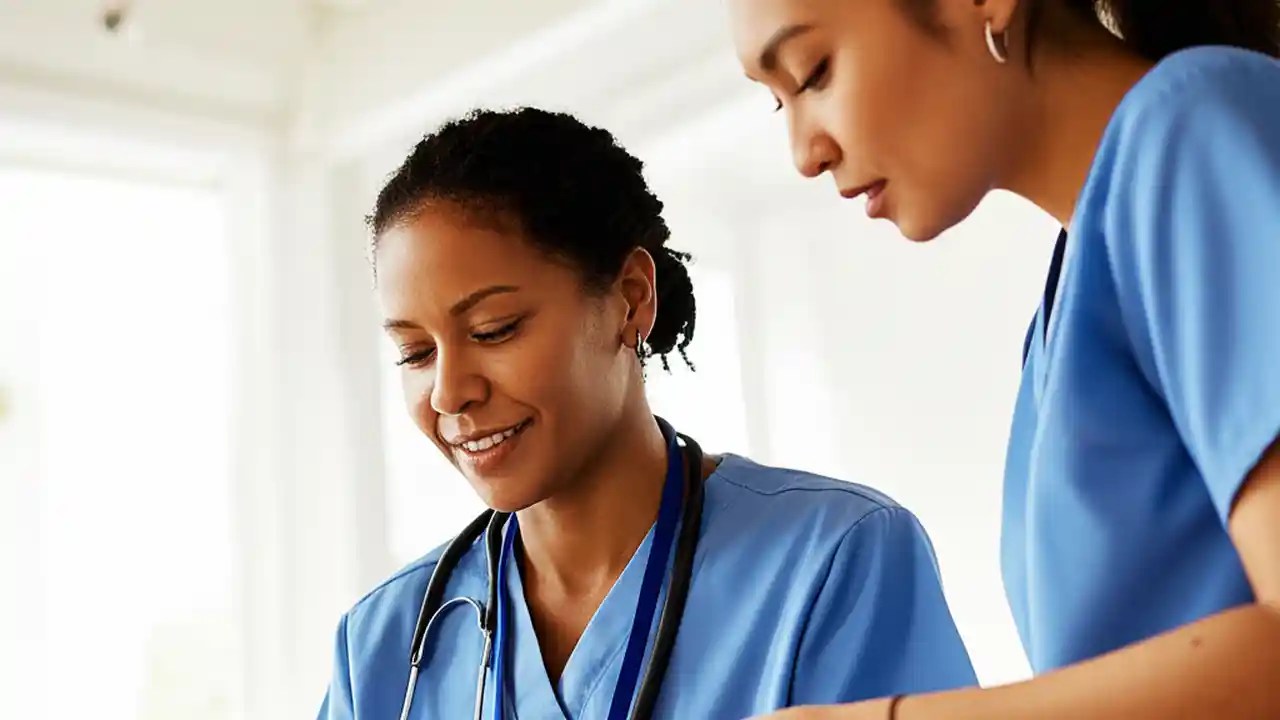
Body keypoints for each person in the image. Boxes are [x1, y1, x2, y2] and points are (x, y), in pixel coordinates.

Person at [315, 108, 976, 720]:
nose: (448, 391)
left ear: (631, 298)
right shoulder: (381, 646)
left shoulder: (834, 559)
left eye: (495, 329)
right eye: (414, 352)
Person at [729, 0, 1280, 718]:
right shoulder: (1060, 321)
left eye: (814, 73)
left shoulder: (1193, 130)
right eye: (780, 106)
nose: (806, 154)